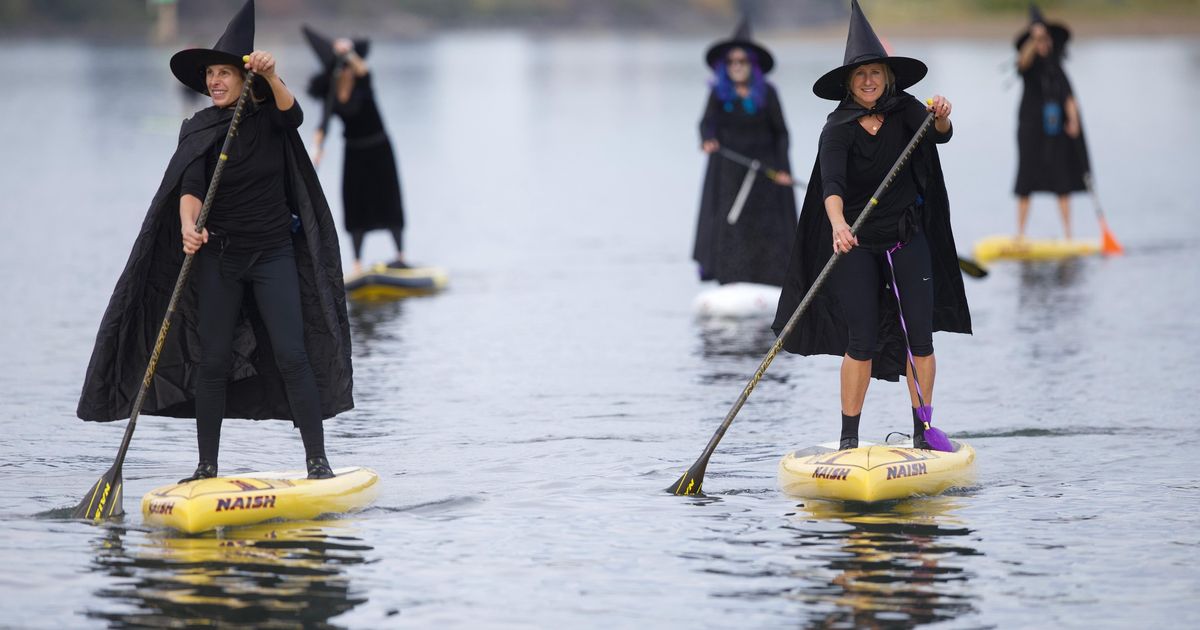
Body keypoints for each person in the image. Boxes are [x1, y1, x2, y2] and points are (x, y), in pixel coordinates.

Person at [76, 0, 354, 481]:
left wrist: (272, 76)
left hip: (272, 255)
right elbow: (188, 189)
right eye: (210, 75)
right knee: (212, 361)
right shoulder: (199, 128)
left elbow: (296, 115)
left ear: (244, 78)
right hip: (219, 259)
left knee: (293, 355)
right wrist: (188, 225)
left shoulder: (269, 119)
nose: (215, 82)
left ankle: (317, 463)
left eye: (224, 73)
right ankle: (206, 468)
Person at [772, 0, 971, 450]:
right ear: (848, 82)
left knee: (919, 337)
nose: (868, 80)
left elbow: (941, 134)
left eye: (875, 73)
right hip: (855, 242)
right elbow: (832, 185)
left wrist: (940, 115)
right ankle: (848, 441)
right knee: (859, 340)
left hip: (906, 238)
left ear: (888, 77)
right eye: (860, 74)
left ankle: (923, 432)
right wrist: (839, 225)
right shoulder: (836, 127)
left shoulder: (907, 111)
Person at [693, 16, 797, 287]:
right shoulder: (718, 94)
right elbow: (705, 123)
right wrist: (707, 140)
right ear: (724, 66)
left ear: (752, 65)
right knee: (731, 225)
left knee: (766, 226)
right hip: (729, 173)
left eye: (742, 61)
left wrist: (783, 170)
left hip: (765, 172)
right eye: (731, 62)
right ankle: (731, 279)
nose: (736, 66)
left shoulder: (769, 94)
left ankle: (771, 281)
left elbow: (782, 133)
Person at [303, 25, 408, 276]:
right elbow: (323, 124)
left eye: (347, 67)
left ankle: (400, 256)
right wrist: (316, 148)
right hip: (354, 152)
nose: (346, 71)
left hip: (379, 148)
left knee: (388, 199)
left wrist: (347, 53)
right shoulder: (331, 93)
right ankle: (358, 263)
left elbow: (363, 68)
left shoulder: (363, 81)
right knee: (355, 203)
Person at [1014, 4, 1088, 239]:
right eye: (1038, 41)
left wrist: (1074, 122)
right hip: (1030, 128)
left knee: (1062, 179)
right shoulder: (1029, 66)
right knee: (1025, 179)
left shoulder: (1057, 67)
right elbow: (1021, 63)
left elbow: (1069, 98)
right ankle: (1021, 234)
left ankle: (1068, 233)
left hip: (1056, 131)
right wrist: (1032, 40)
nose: (1043, 44)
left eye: (1045, 40)